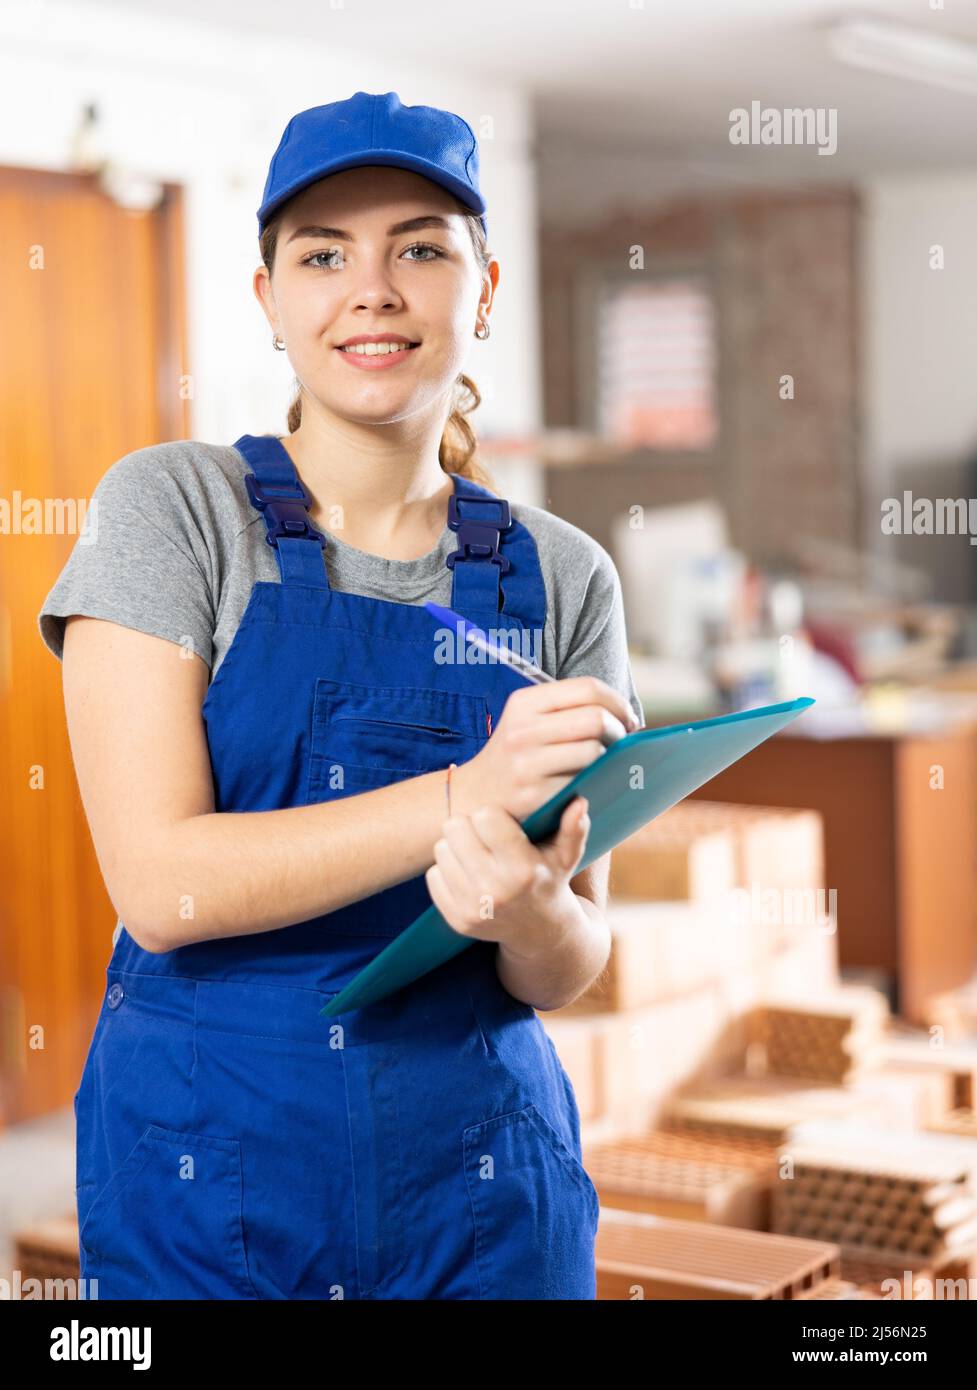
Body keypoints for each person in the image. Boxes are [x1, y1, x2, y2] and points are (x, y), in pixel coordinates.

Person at [38, 90, 645, 1300]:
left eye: (420, 247)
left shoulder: (564, 575)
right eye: (323, 254)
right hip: (213, 1187)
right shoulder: (174, 511)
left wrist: (526, 912)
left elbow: (572, 953)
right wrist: (463, 796)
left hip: (481, 1198)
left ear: (479, 291)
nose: (372, 289)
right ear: (270, 300)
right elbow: (164, 887)